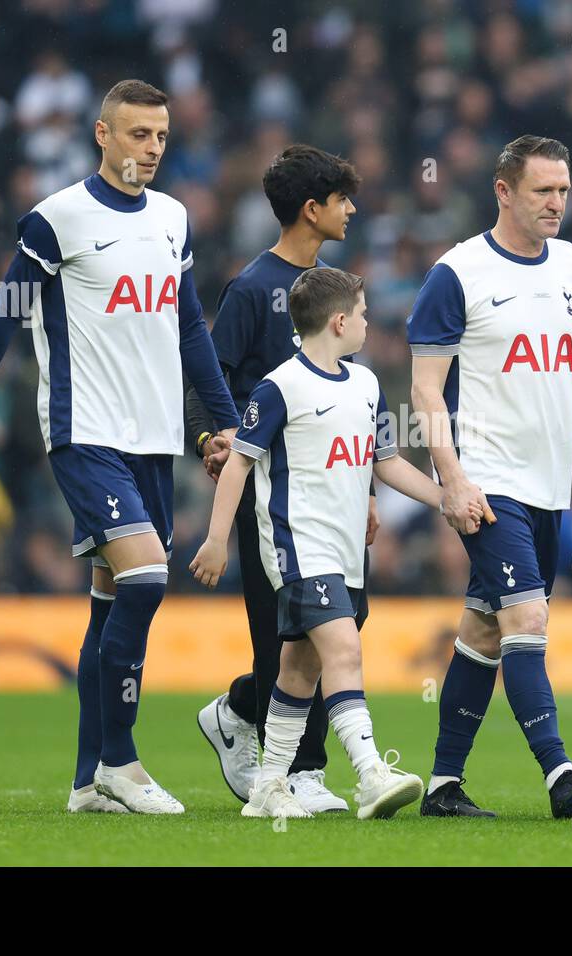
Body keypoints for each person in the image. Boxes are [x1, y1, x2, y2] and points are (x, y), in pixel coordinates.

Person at [0, 79, 239, 815]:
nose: (153, 149)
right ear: (102, 136)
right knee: (146, 578)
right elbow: (5, 316)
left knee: (108, 606)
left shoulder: (173, 220)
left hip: (156, 439)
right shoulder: (57, 219)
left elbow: (191, 329)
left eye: (162, 137)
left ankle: (83, 784)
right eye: (138, 135)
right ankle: (121, 762)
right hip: (85, 432)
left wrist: (222, 422)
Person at [408, 135, 572, 819]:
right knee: (527, 618)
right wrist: (454, 480)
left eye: (564, 189)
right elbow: (426, 392)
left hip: (549, 487)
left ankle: (442, 786)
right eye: (543, 191)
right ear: (504, 191)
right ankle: (559, 772)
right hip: (489, 481)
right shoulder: (458, 273)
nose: (559, 202)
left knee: (485, 631)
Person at [190, 268, 464, 818]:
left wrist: (445, 497)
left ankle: (268, 787)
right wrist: (218, 539)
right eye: (362, 313)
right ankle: (371, 774)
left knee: (300, 670)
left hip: (345, 552)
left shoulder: (364, 385)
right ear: (339, 321)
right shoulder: (279, 387)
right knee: (344, 649)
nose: (368, 322)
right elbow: (240, 465)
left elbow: (384, 464)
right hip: (299, 548)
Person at [186, 145, 363, 813]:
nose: (353, 209)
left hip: (333, 493)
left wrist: (364, 492)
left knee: (330, 631)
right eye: (342, 198)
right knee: (287, 635)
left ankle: (237, 709)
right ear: (311, 209)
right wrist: (213, 438)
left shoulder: (330, 291)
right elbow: (208, 385)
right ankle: (302, 772)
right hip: (270, 498)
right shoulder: (253, 289)